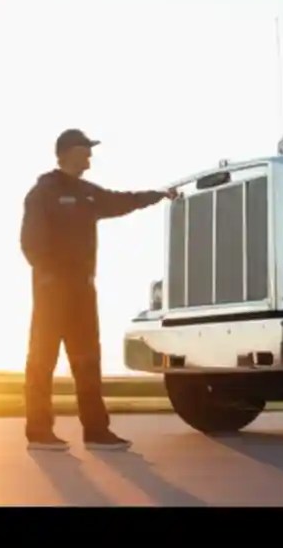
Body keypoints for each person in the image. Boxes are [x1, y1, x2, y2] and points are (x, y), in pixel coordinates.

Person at [19, 128, 177, 451]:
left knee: (88, 359)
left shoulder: (88, 194)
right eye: (85, 149)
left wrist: (157, 195)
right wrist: (49, 277)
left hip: (83, 291)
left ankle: (96, 430)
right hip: (52, 291)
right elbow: (30, 242)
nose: (90, 155)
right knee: (42, 359)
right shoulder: (43, 192)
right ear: (67, 152)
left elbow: (121, 201)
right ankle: (38, 431)